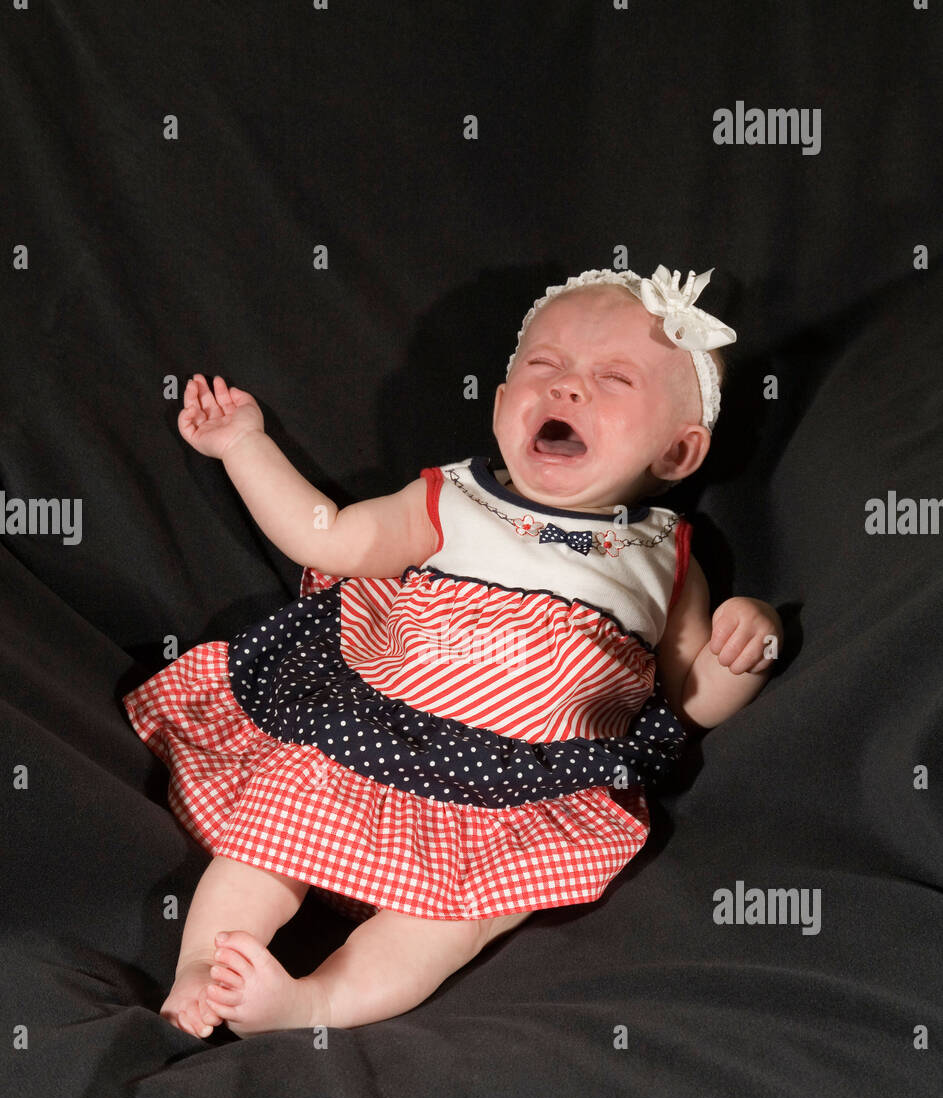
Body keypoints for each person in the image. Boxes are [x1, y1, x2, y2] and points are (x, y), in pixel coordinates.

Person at [122, 265, 783, 1037]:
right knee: (270, 833)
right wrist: (243, 446)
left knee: (453, 925)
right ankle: (206, 963)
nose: (566, 389)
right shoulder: (450, 500)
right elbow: (325, 534)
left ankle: (313, 1003)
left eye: (611, 379)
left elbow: (689, 701)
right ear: (503, 408)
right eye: (544, 366)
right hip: (367, 740)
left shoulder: (664, 559)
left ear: (677, 453)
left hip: (521, 796)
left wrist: (746, 644)